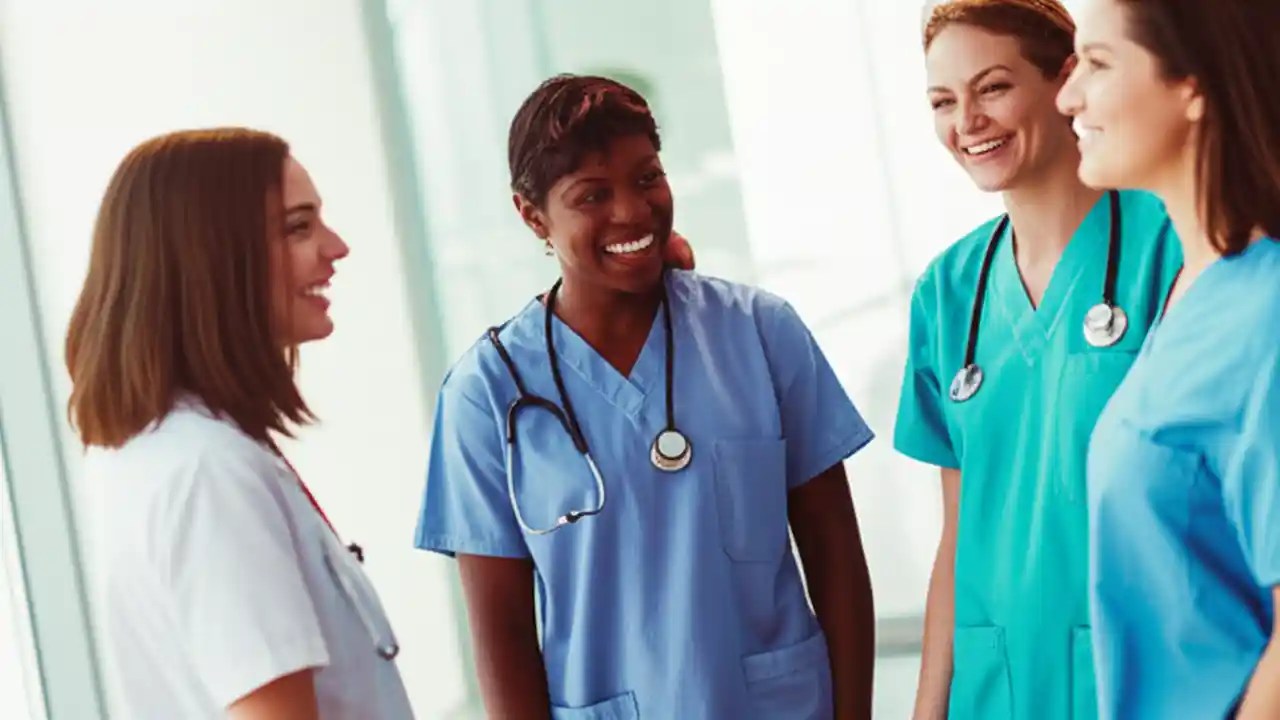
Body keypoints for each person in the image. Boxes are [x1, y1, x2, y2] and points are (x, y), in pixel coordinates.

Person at [415, 74, 876, 719]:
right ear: (532, 214)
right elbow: (502, 636)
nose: (631, 212)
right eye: (592, 195)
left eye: (646, 178)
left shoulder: (760, 332)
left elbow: (837, 561)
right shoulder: (487, 394)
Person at [67, 128, 414, 719]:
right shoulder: (207, 473)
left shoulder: (177, 451)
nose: (336, 248)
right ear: (211, 258)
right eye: (298, 227)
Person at [897, 1, 1181, 717]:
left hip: (1143, 674)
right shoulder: (946, 291)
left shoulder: (1171, 245)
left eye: (992, 88)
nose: (967, 122)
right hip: (995, 688)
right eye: (943, 101)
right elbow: (958, 534)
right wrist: (928, 709)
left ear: (1067, 82)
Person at [1057, 0, 1280, 716]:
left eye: (1097, 63)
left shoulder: (1266, 312)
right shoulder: (1193, 290)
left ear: (1194, 84)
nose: (1068, 95)